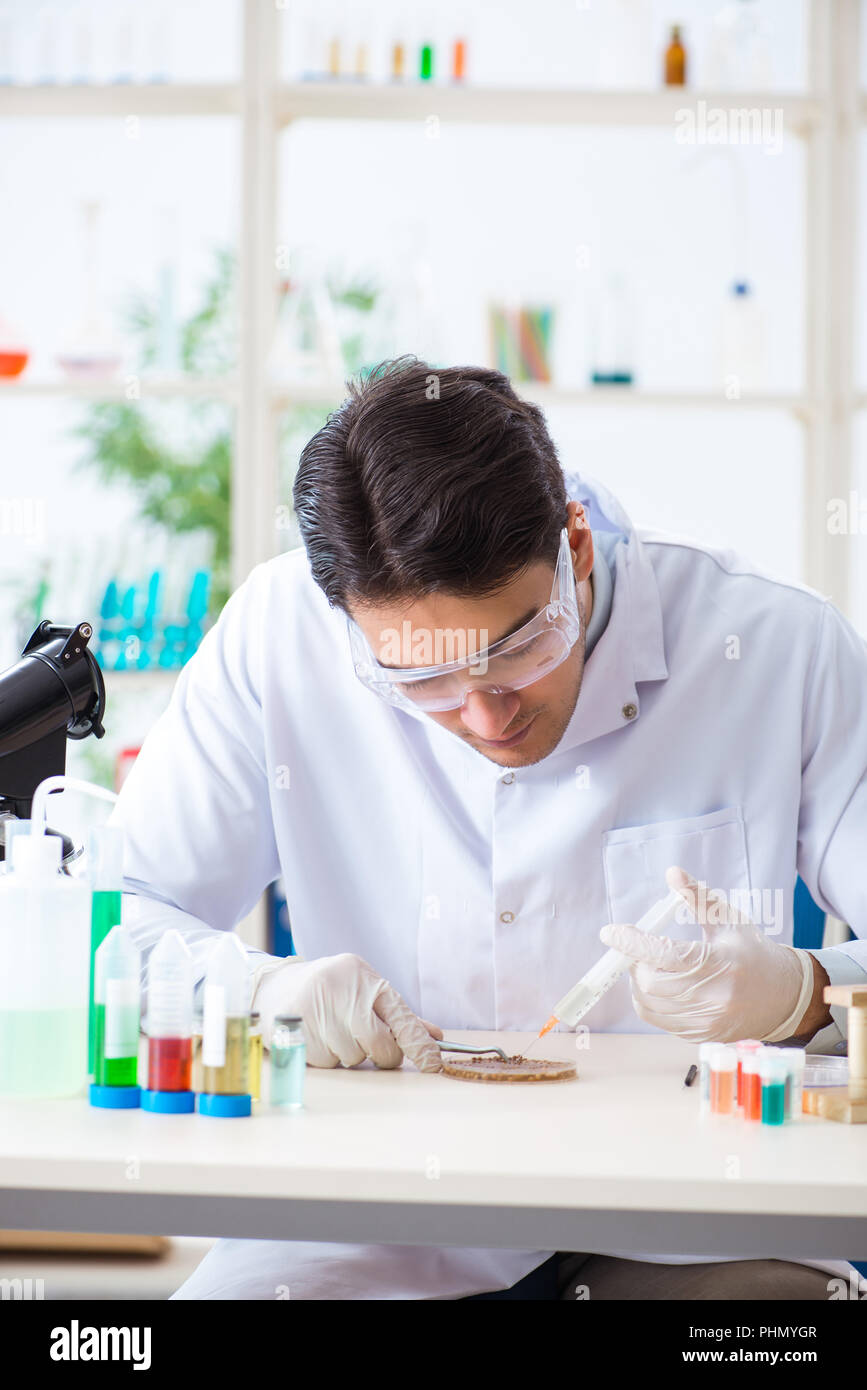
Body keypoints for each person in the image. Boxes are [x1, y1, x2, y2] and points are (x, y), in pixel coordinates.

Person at [112, 357, 866, 1300]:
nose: (484, 716)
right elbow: (125, 913)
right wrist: (266, 988)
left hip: (695, 1220)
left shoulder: (776, 647)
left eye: (518, 649)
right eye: (419, 682)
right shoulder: (277, 636)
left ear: (576, 546)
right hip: (370, 1218)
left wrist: (801, 992)